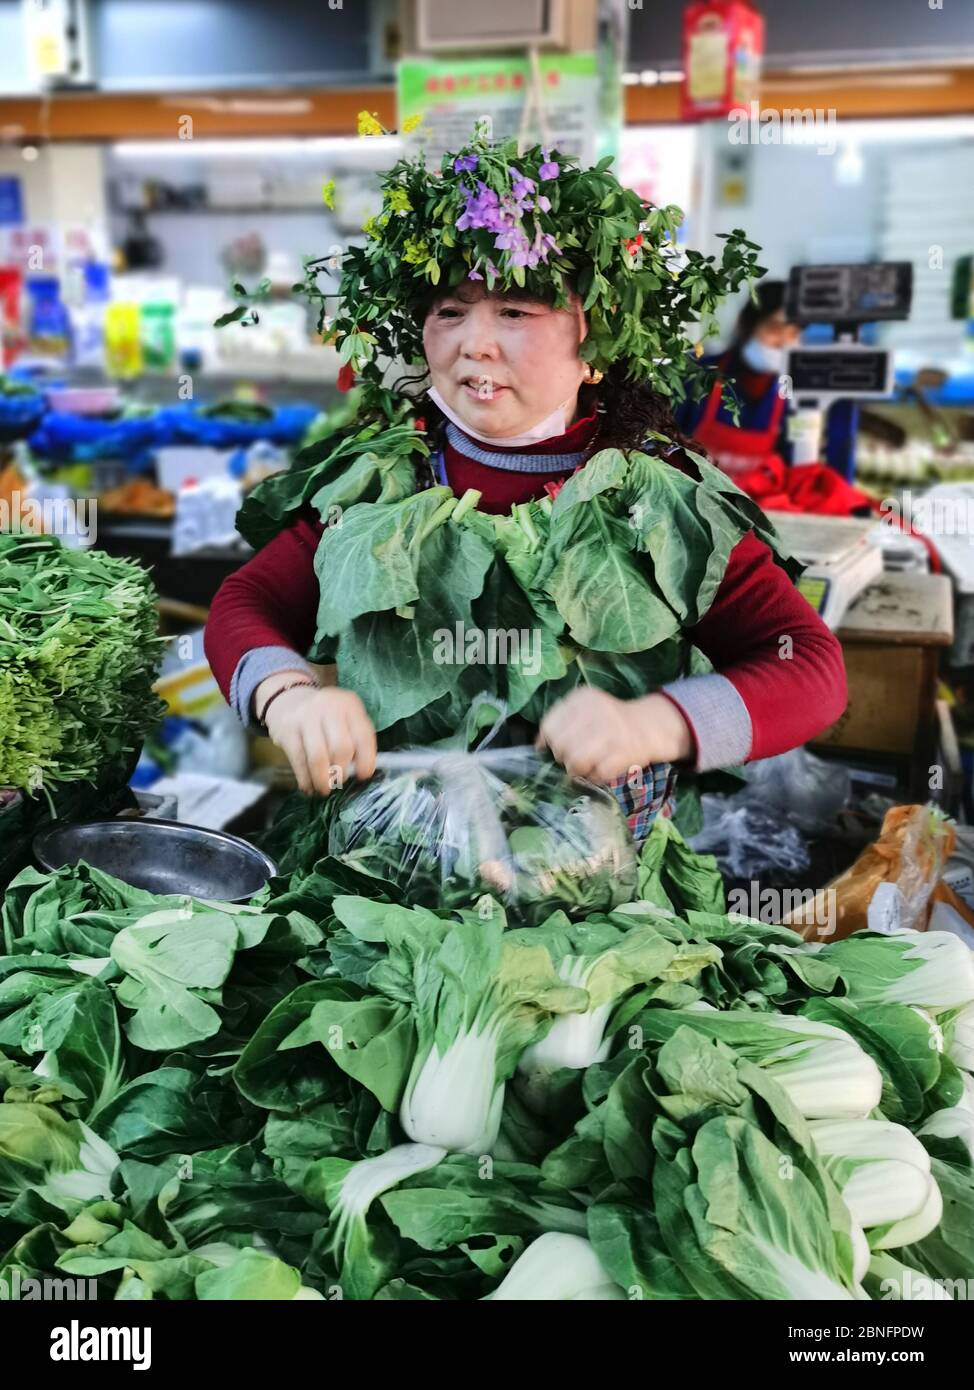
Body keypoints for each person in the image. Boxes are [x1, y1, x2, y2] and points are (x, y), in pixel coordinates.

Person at [204, 133, 847, 843]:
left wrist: (656, 721)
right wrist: (288, 695)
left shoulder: (659, 499)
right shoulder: (384, 479)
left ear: (595, 340)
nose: (473, 342)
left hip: (597, 914)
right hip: (388, 889)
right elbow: (246, 601)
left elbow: (810, 666)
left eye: (515, 311)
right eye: (449, 311)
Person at [676, 279, 799, 483]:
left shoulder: (788, 391)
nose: (783, 341)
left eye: (793, 332)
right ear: (746, 324)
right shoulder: (696, 372)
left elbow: (790, 467)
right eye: (775, 328)